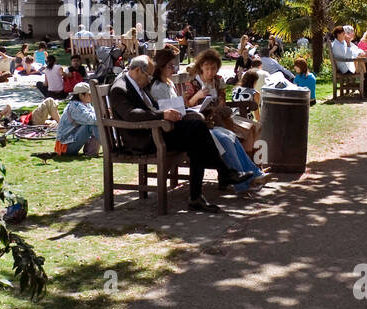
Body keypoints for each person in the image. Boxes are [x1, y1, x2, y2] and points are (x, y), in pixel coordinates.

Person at [108, 54, 231, 212]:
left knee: (197, 130)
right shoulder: (120, 88)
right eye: (149, 75)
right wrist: (162, 114)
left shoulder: (137, 83)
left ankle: (198, 196)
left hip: (154, 131)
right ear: (137, 70)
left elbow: (151, 107)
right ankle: (222, 173)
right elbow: (131, 115)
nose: (150, 79)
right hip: (141, 139)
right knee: (197, 131)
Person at [183, 49, 269, 194]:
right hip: (201, 124)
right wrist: (197, 97)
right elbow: (185, 107)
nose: (210, 72)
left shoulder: (218, 80)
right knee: (227, 138)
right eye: (207, 68)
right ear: (201, 67)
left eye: (213, 68)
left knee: (235, 135)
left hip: (218, 120)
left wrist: (217, 106)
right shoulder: (192, 83)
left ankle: (253, 175)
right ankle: (246, 181)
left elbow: (222, 103)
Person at [55, 82, 101, 156]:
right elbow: (93, 120)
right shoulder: (76, 106)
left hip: (73, 140)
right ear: (81, 95)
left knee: (97, 124)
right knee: (91, 125)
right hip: (65, 147)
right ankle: (109, 147)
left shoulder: (86, 104)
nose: (91, 96)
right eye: (89, 94)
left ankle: (91, 152)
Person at [330, 25, 367, 98]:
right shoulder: (336, 45)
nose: (345, 35)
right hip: (345, 68)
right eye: (343, 34)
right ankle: (365, 90)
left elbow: (351, 52)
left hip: (348, 63)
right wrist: (348, 43)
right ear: (338, 34)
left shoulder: (342, 42)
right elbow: (347, 56)